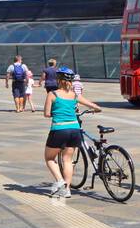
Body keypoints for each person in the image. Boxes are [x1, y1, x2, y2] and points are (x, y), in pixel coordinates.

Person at [42, 67, 102, 199]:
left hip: (59, 129)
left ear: (58, 80)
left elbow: (46, 114)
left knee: (49, 158)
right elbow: (93, 105)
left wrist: (57, 112)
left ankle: (60, 181)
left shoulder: (53, 94)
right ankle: (67, 190)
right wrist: (96, 109)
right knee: (67, 160)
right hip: (74, 130)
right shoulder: (75, 95)